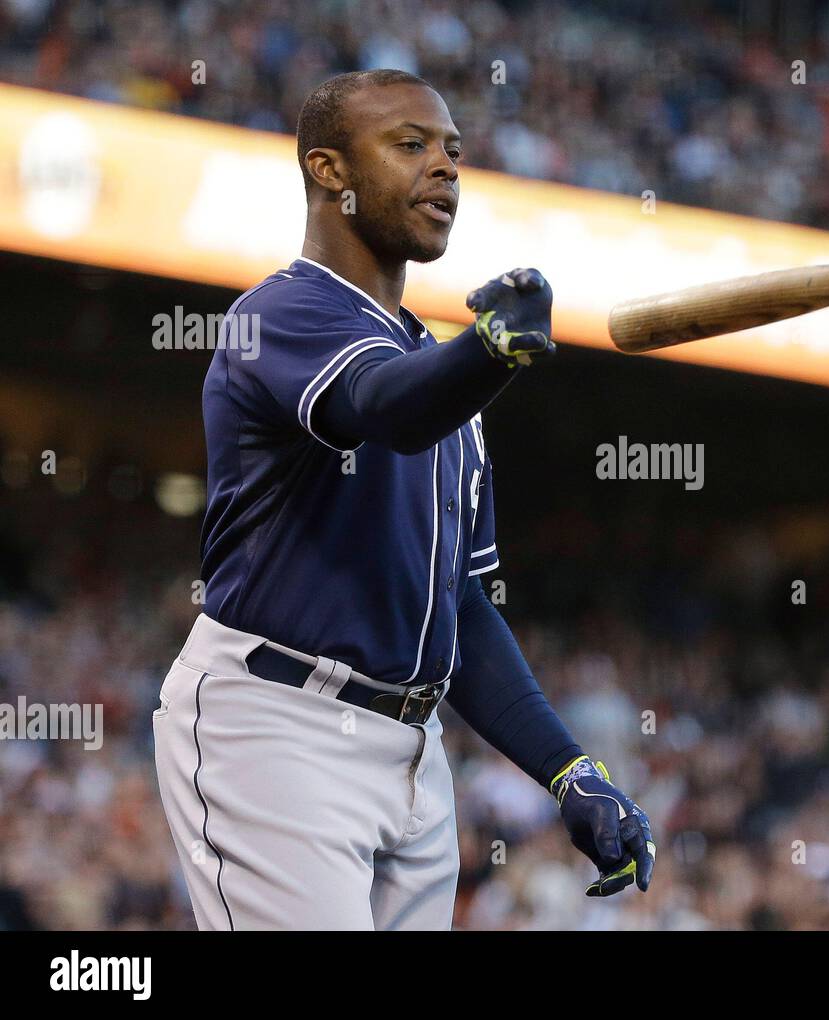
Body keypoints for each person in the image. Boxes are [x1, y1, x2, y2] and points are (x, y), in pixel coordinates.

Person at [152, 69, 654, 930]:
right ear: (330, 171)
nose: (446, 168)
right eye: (411, 145)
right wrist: (486, 353)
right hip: (277, 726)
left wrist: (568, 770)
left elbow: (459, 609)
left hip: (414, 758)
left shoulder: (444, 378)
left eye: (454, 152)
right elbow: (382, 411)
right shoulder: (281, 313)